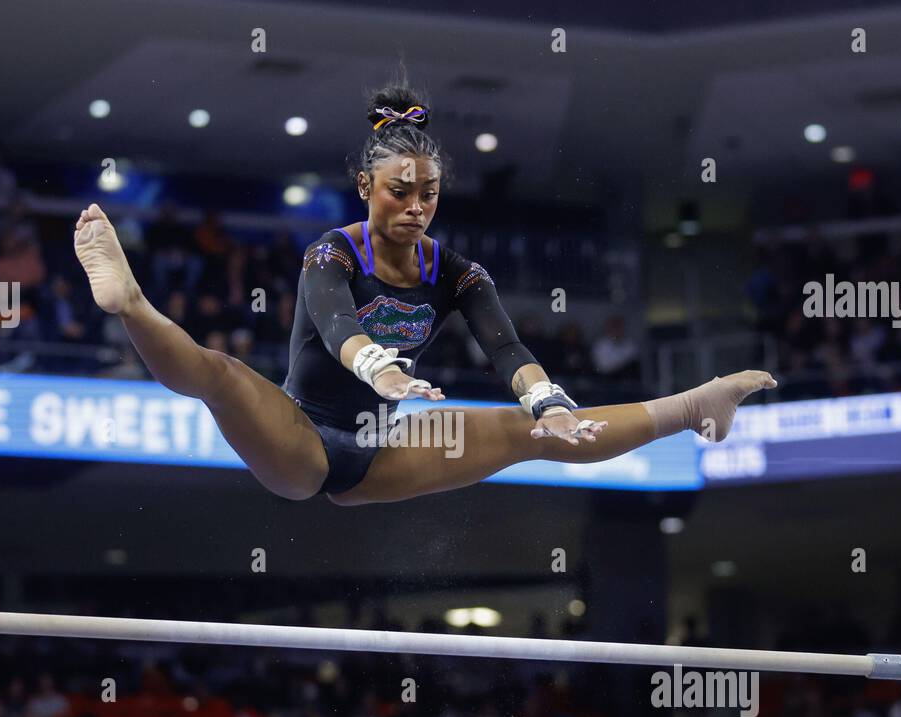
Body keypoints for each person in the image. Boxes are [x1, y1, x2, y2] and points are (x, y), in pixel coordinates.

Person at [73, 70, 774, 504]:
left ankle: (694, 406)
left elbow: (508, 349)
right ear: (365, 187)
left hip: (384, 452)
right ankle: (131, 304)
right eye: (400, 192)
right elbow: (338, 327)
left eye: (429, 194)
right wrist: (385, 373)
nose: (416, 207)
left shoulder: (460, 274)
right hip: (302, 438)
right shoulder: (331, 252)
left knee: (534, 432)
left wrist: (548, 400)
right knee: (223, 374)